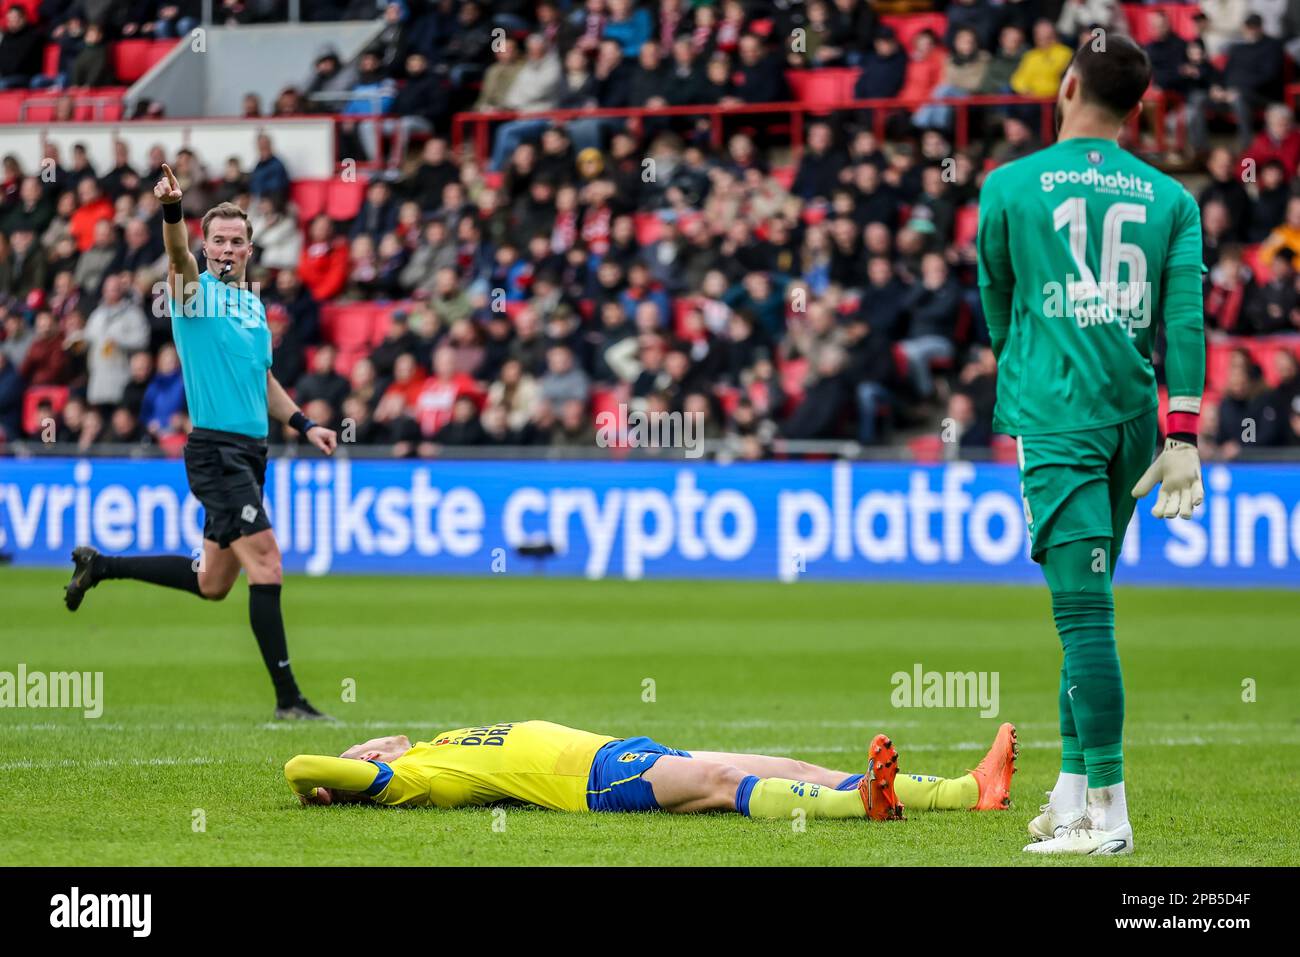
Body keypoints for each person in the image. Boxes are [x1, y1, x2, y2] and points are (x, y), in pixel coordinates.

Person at [978, 37, 1205, 854]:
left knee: (1082, 616)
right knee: (1092, 609)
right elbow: (1182, 321)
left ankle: (1107, 813)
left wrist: (1030, 362)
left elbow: (996, 304)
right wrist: (1182, 431)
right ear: (1138, 110)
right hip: (1132, 423)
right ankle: (1071, 788)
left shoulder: (1007, 185)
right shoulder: (1170, 198)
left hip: (1059, 417)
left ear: (1067, 84)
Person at [63, 166, 338, 721]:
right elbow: (176, 258)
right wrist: (173, 213)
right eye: (218, 240)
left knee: (212, 582)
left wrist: (305, 424)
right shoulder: (194, 295)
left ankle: (101, 566)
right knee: (268, 564)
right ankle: (290, 702)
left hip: (251, 454)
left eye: (237, 241)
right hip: (215, 452)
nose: (227, 249)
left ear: (250, 248)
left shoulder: (255, 307)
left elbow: (261, 380)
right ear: (206, 245)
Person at [285, 720, 1019, 819]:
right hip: (600, 780)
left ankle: (968, 791)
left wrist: (384, 744)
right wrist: (335, 774)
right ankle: (866, 805)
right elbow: (299, 761)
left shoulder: (434, 742)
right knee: (725, 783)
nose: (373, 743)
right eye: (365, 752)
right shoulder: (417, 779)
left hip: (623, 749)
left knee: (791, 762)